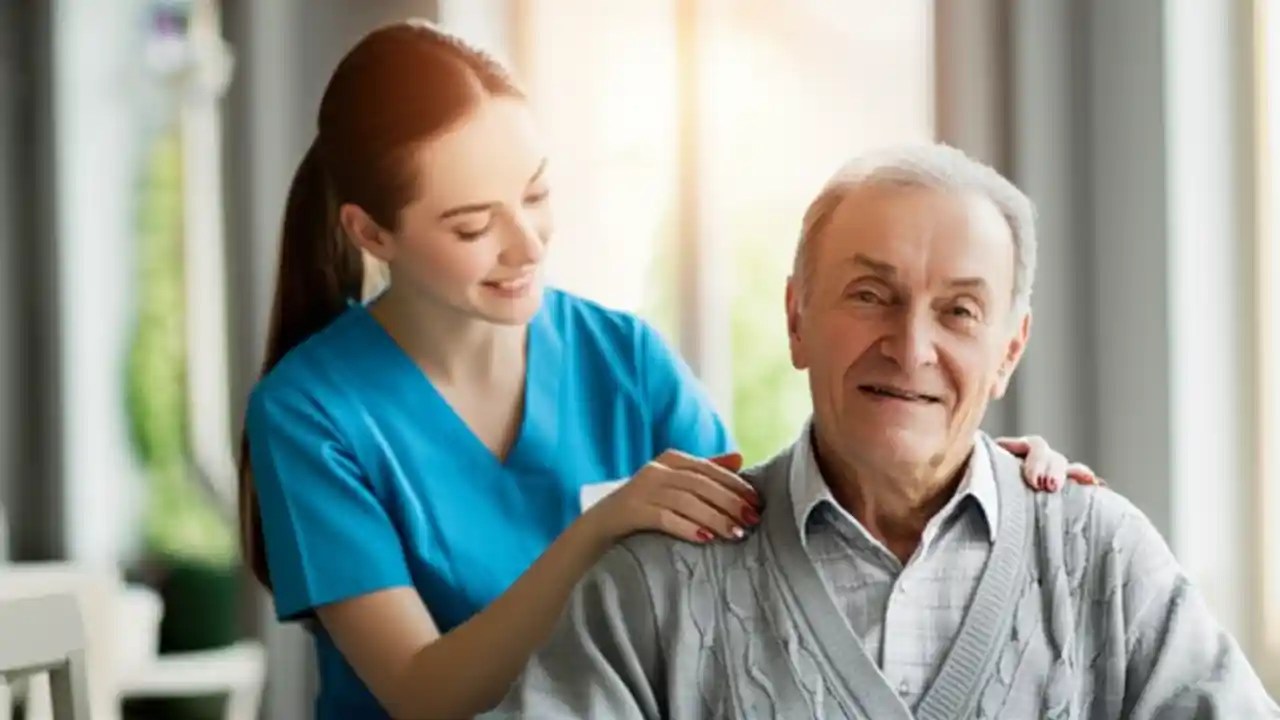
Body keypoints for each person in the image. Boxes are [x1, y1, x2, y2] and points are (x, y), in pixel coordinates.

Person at [239, 21, 1100, 720]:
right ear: (370, 234)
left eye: (537, 194)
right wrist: (599, 529)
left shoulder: (625, 361)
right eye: (472, 227)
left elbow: (775, 535)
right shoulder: (311, 414)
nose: (528, 244)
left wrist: (952, 473)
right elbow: (422, 693)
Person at [491, 144, 1280, 719]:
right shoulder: (662, 580)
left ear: (1008, 350)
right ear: (797, 318)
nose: (910, 348)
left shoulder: (1101, 558)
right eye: (870, 295)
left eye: (960, 311)